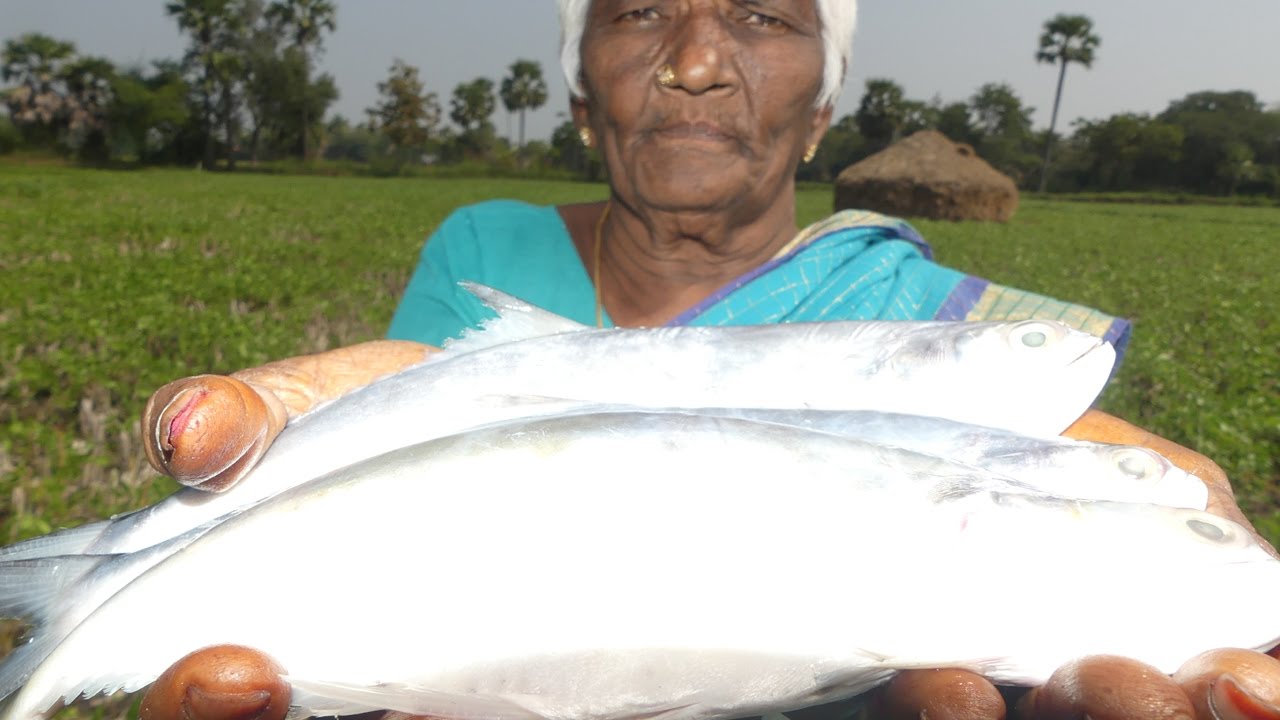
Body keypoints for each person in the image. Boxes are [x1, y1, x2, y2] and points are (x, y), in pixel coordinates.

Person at [135, 1, 1280, 719]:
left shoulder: (937, 339)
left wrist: (1133, 504)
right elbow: (445, 448)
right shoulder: (486, 245)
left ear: (824, 108)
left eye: (761, 19)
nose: (694, 60)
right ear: (583, 96)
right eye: (639, 13)